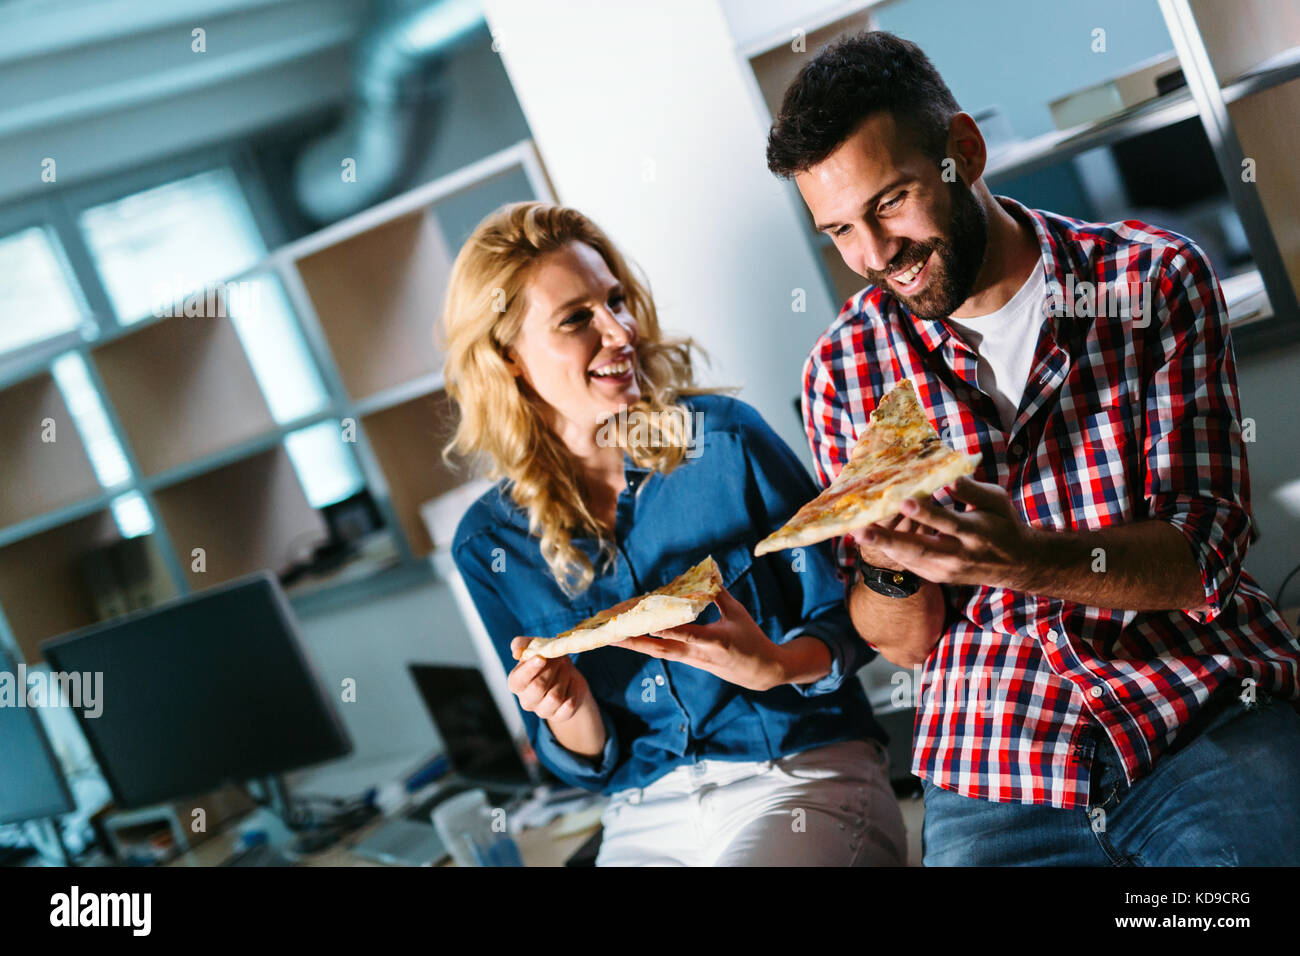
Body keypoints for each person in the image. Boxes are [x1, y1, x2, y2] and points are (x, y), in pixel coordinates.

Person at [765, 30, 1300, 865]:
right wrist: (891, 561)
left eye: (890, 202)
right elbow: (901, 639)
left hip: (1196, 709)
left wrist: (1017, 557)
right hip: (995, 759)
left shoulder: (1150, 283)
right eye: (839, 230)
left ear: (964, 151)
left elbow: (1203, 559)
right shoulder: (842, 367)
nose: (873, 257)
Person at [440, 201, 906, 866]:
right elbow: (580, 762)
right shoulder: (487, 540)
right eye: (577, 319)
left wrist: (774, 666)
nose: (619, 330)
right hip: (644, 811)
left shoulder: (725, 440)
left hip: (798, 770)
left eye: (617, 300)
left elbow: (852, 621)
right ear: (508, 358)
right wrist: (570, 710)